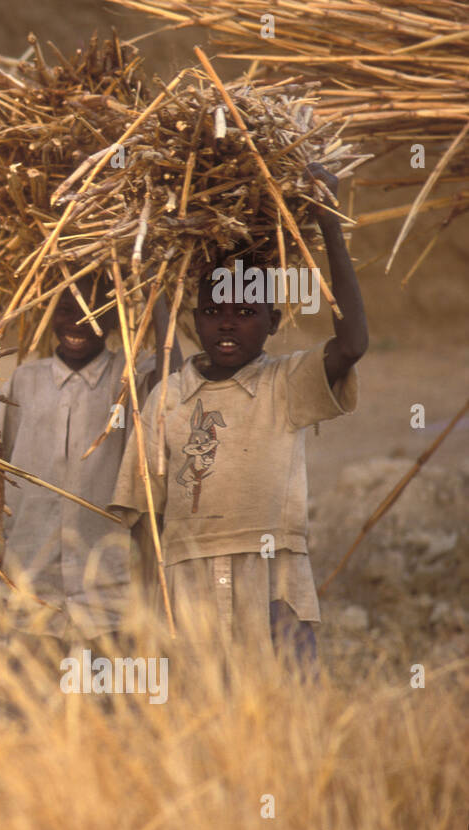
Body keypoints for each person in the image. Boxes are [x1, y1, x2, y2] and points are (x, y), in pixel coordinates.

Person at [110, 164, 365, 670]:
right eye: (214, 312)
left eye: (246, 313)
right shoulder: (167, 397)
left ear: (273, 322)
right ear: (195, 319)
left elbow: (352, 343)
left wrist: (329, 223)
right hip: (186, 586)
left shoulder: (286, 384)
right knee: (200, 708)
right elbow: (146, 517)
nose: (227, 323)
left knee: (285, 703)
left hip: (274, 581)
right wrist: (148, 614)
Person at [0, 274, 181, 679]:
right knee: (33, 697)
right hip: (30, 585)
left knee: (104, 700)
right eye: (66, 310)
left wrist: (156, 292)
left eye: (93, 312)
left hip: (107, 592)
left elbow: (174, 381)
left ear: (114, 318)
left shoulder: (130, 378)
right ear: (50, 315)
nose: (78, 323)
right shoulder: (25, 380)